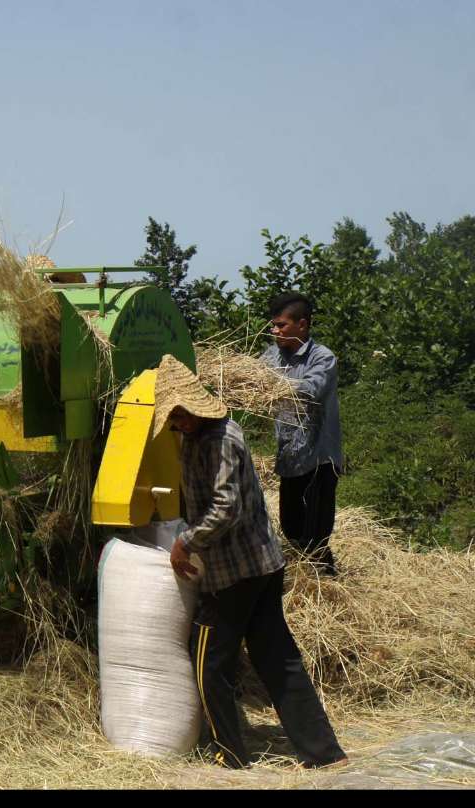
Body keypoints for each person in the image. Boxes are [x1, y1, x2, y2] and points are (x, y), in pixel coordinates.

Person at [154, 355, 347, 770]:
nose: (178, 423)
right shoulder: (200, 435)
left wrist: (184, 542)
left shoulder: (220, 439)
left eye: (182, 415)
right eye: (173, 418)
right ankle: (324, 753)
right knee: (277, 659)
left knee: (208, 664)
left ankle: (230, 755)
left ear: (197, 406)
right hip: (261, 565)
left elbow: (226, 507)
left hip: (236, 573)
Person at [262, 292, 343, 576]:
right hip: (291, 455)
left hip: (319, 457)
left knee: (316, 532)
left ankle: (326, 583)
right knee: (291, 525)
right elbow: (254, 379)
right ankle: (304, 575)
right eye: (273, 325)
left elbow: (309, 391)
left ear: (303, 325)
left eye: (281, 325)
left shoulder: (323, 358)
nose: (275, 331)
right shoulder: (272, 356)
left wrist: (271, 385)